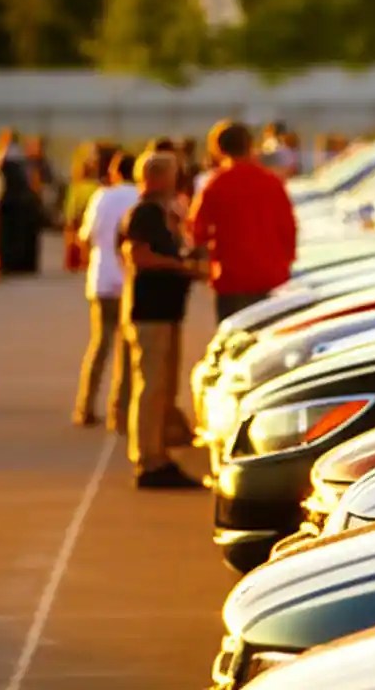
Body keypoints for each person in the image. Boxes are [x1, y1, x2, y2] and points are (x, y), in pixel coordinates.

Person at [120, 151, 202, 489]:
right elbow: (139, 256)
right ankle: (148, 457)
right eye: (170, 174)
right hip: (150, 312)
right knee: (151, 386)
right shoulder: (145, 212)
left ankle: (158, 449)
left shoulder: (164, 212)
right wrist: (179, 267)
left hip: (165, 310)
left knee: (162, 386)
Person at [189, 121, 297, 323]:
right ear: (249, 144)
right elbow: (288, 227)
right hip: (269, 276)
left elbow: (197, 230)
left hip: (231, 277)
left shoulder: (214, 184)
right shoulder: (271, 181)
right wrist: (286, 261)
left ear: (218, 149)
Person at [72, 152, 138, 430]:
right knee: (126, 348)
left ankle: (85, 406)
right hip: (130, 280)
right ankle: (119, 412)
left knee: (99, 344)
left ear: (114, 173)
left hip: (102, 277)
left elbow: (85, 237)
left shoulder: (102, 197)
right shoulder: (139, 197)